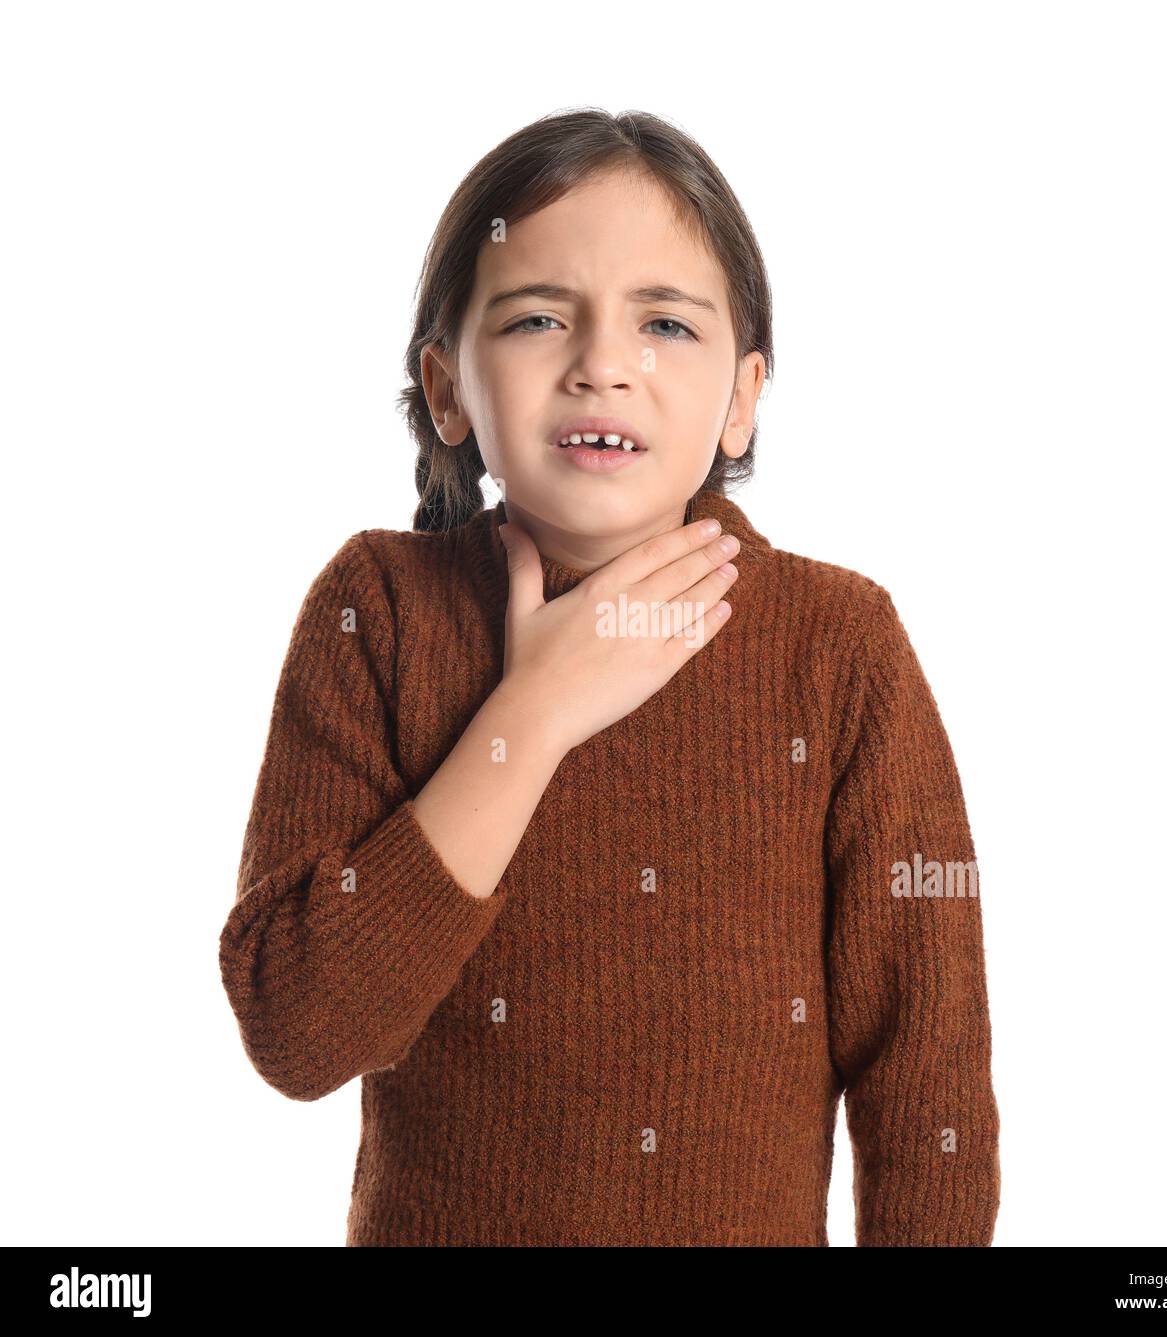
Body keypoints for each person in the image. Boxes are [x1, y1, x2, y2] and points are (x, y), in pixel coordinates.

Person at [218, 107, 1000, 1247]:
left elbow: (925, 1080)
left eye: (666, 325)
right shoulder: (376, 610)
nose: (601, 364)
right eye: (538, 317)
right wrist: (530, 715)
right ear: (447, 389)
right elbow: (299, 1029)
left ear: (742, 395)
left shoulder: (839, 647)